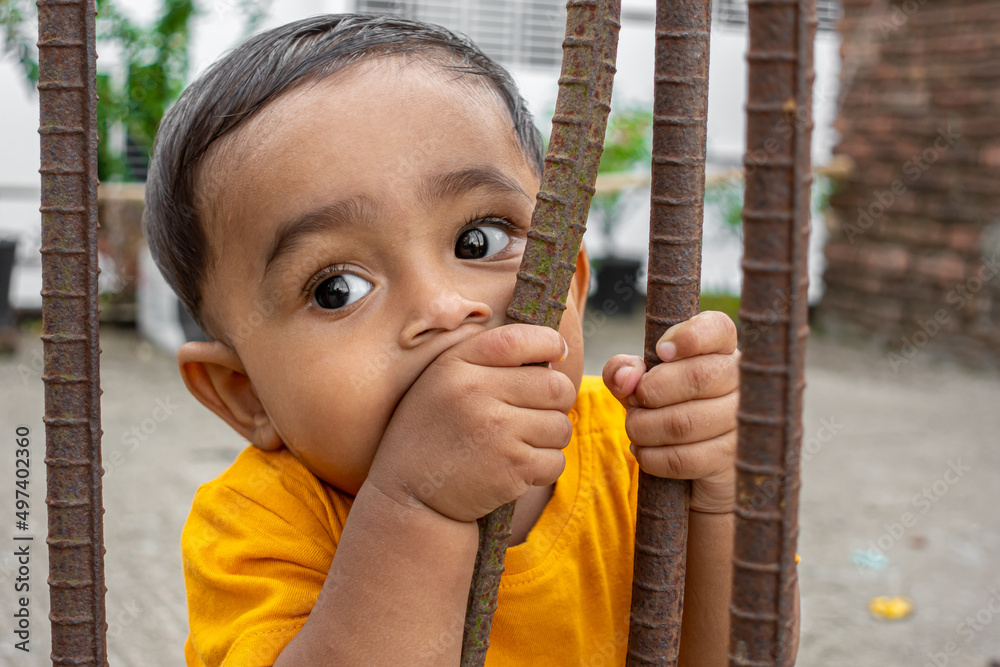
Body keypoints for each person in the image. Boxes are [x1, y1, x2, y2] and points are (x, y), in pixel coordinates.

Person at [143, 13, 755, 666]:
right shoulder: (256, 527)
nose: (441, 307)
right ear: (244, 395)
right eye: (336, 288)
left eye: (479, 239)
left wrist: (720, 490)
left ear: (572, 285)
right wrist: (416, 504)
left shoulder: (635, 447)